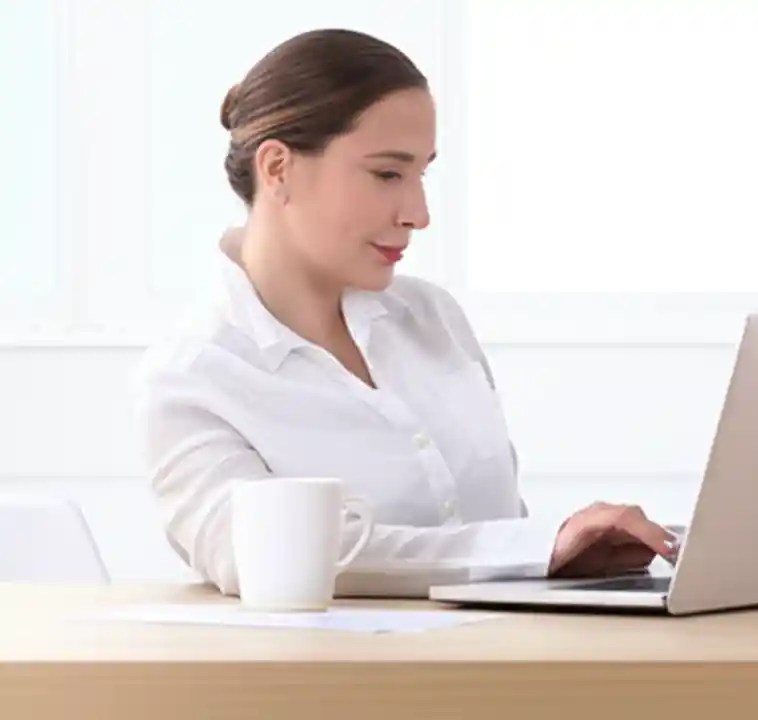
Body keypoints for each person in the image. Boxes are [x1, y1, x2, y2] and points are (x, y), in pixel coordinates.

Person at [134, 28, 676, 597]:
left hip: (507, 661)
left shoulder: (431, 318)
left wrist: (572, 554)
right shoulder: (190, 378)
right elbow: (261, 557)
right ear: (277, 169)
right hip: (335, 681)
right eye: (388, 174)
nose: (418, 213)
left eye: (423, 174)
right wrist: (540, 549)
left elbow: (503, 525)